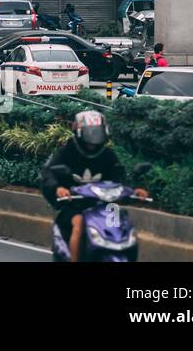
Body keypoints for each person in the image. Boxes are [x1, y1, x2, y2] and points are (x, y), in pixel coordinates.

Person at [41, 110, 147, 262]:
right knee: (78, 222)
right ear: (79, 131)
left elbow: (119, 177)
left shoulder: (108, 155)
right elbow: (48, 173)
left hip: (105, 207)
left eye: (97, 132)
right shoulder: (67, 152)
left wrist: (134, 189)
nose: (94, 137)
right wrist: (58, 188)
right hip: (75, 204)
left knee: (124, 224)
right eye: (90, 132)